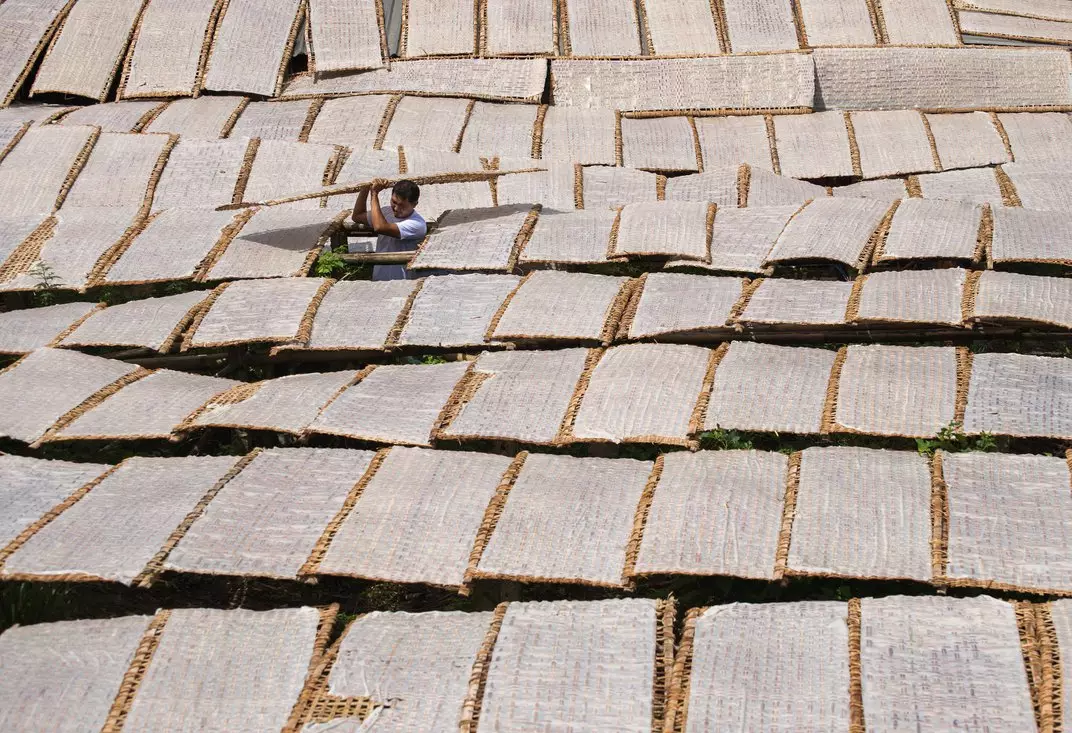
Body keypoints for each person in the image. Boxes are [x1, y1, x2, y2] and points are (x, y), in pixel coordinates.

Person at [352, 178, 427, 281]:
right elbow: (357, 216)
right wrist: (365, 189)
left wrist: (374, 194)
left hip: (401, 283)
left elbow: (379, 227)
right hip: (378, 279)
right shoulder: (386, 212)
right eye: (394, 202)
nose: (396, 208)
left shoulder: (417, 224)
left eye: (402, 206)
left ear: (414, 204)